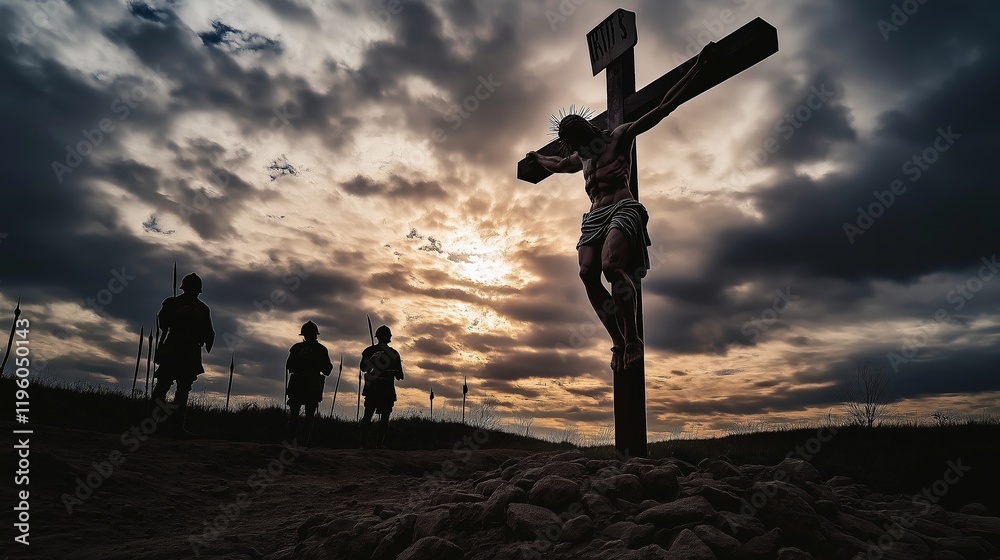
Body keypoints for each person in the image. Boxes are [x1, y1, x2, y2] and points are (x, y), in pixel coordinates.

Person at [526, 42, 720, 374]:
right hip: (594, 217)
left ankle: (633, 339)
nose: (581, 148)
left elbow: (662, 107)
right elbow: (557, 165)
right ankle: (616, 340)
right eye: (576, 145)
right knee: (587, 273)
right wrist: (535, 158)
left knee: (611, 267)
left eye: (581, 140)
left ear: (588, 130)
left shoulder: (619, 136)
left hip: (622, 207)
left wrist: (697, 68)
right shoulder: (582, 158)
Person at [150, 272, 215, 437]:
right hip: (173, 348)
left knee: (183, 389)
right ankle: (151, 425)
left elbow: (208, 333)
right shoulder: (172, 303)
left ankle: (177, 428)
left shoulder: (202, 309)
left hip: (189, 352)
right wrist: (170, 314)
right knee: (162, 386)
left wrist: (203, 338)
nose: (192, 291)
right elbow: (163, 324)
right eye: (191, 288)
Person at [285, 320, 333, 444]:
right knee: (295, 414)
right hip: (299, 383)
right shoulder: (297, 348)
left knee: (309, 415)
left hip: (311, 384)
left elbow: (327, 370)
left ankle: (303, 441)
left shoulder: (321, 350)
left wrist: (315, 362)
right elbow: (289, 366)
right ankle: (294, 441)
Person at [359, 325, 403, 449]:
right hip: (373, 388)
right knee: (368, 415)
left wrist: (392, 371)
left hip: (387, 389)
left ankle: (380, 444)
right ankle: (363, 443)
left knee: (384, 418)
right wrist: (372, 360)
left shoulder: (394, 354)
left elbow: (400, 375)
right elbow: (363, 368)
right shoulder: (369, 351)